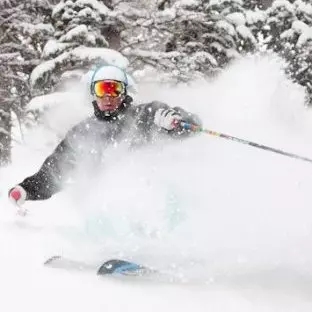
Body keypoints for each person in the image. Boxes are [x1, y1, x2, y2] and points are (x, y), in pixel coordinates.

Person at [8, 65, 202, 207]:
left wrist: (175, 123)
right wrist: (26, 190)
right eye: (102, 90)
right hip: (107, 212)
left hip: (152, 201)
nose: (108, 97)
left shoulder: (147, 114)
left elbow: (192, 125)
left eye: (114, 89)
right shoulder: (82, 133)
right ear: (93, 94)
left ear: (124, 93)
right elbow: (54, 172)